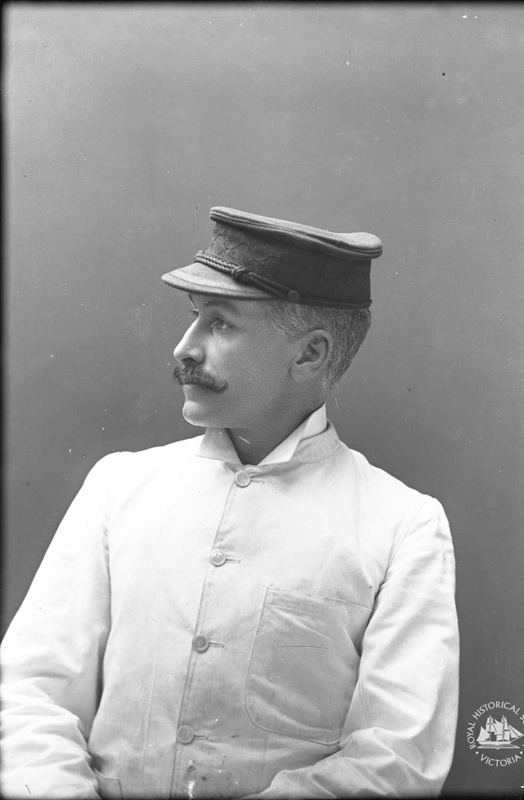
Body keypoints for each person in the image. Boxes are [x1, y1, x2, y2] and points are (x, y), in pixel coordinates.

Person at [1, 207, 459, 799]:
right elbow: (26, 694)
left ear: (310, 355)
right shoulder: (120, 486)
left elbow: (398, 759)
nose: (184, 348)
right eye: (194, 319)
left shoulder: (403, 526)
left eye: (220, 324)